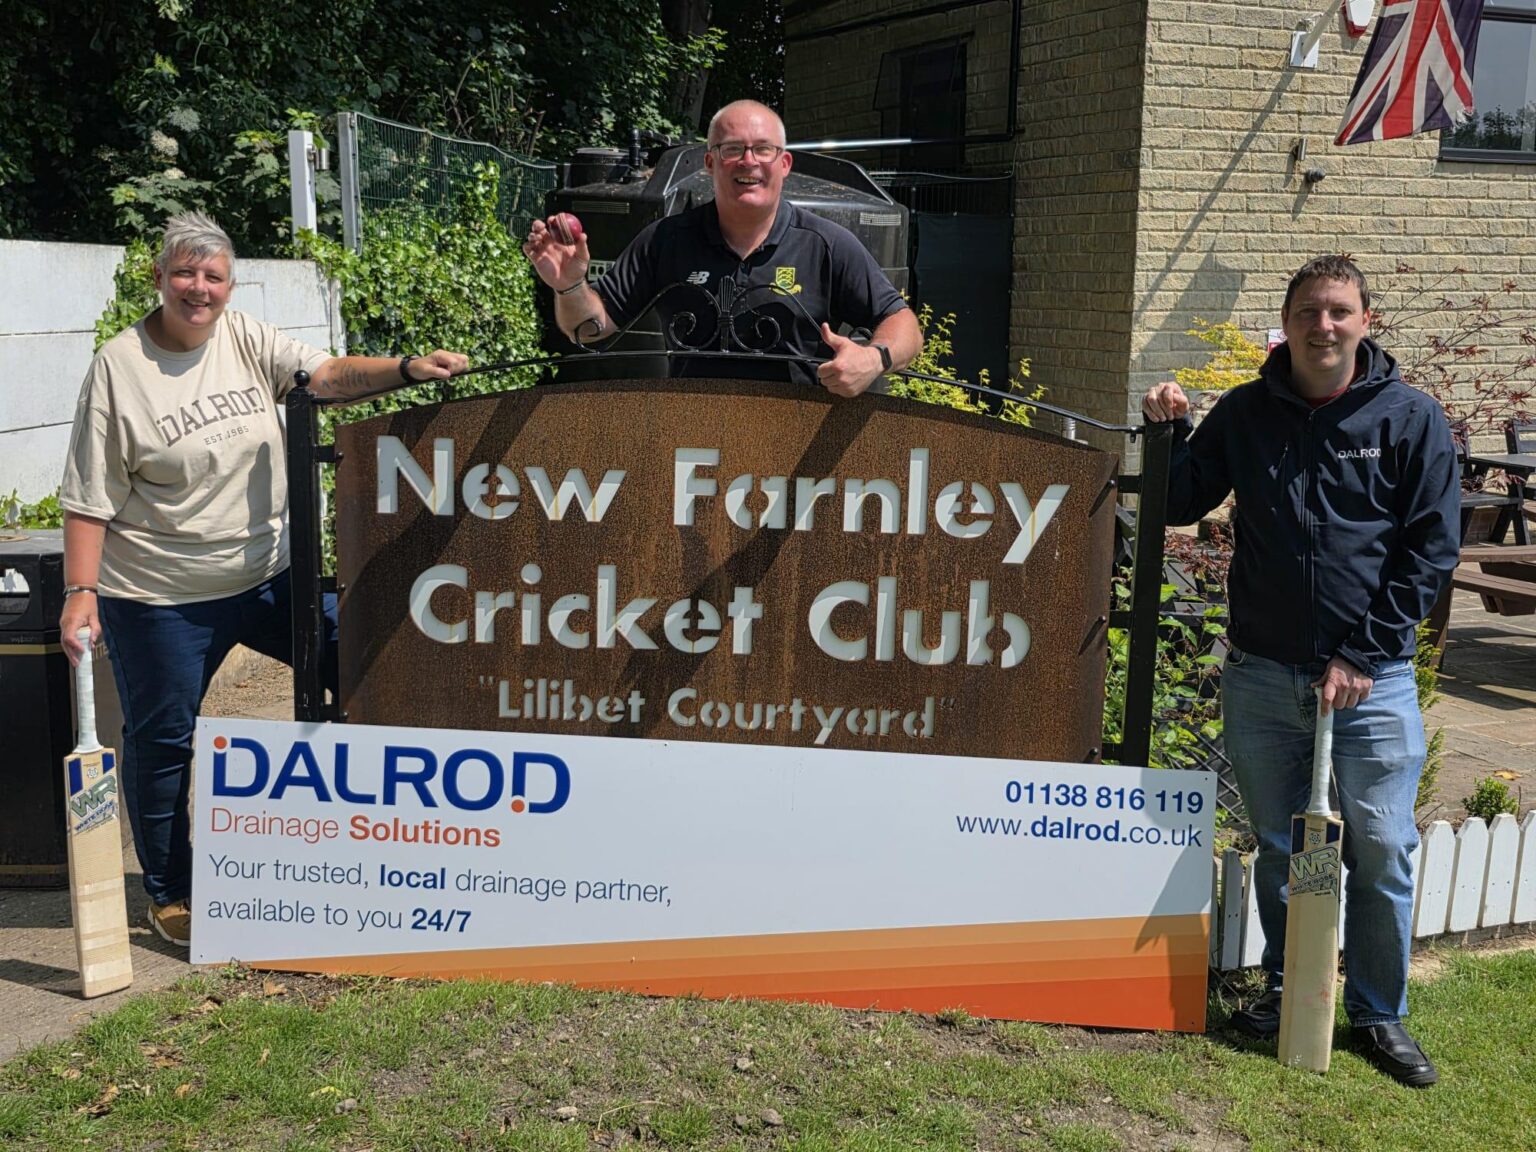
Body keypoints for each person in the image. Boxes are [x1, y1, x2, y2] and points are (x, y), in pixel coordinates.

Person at [58, 211, 469, 949]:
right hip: (161, 598)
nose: (198, 288)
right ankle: (170, 890)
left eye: (213, 275)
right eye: (184, 272)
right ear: (158, 278)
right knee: (163, 742)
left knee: (365, 656)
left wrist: (407, 368)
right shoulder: (120, 368)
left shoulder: (244, 337)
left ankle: (354, 844)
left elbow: (328, 375)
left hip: (271, 577)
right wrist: (80, 593)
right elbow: (88, 497)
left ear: (230, 284)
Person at [1142, 255, 1458, 1087]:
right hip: (1262, 676)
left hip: (1373, 682)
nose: (1325, 325)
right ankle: (1293, 984)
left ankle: (1379, 1013)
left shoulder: (1410, 419)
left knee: (1383, 848)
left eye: (1340, 311)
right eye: (1309, 311)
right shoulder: (1248, 414)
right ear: (1286, 323)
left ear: (1366, 320)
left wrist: (1363, 651)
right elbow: (1178, 502)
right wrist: (1169, 427)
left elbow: (1432, 551)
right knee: (1284, 847)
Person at [522, 99, 922, 396]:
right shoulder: (666, 240)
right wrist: (570, 286)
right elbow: (589, 330)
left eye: (763, 149)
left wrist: (873, 359)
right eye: (732, 149)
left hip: (798, 453)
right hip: (694, 450)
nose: (748, 161)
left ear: (783, 164)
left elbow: (905, 327)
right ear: (710, 163)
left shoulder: (827, 245)